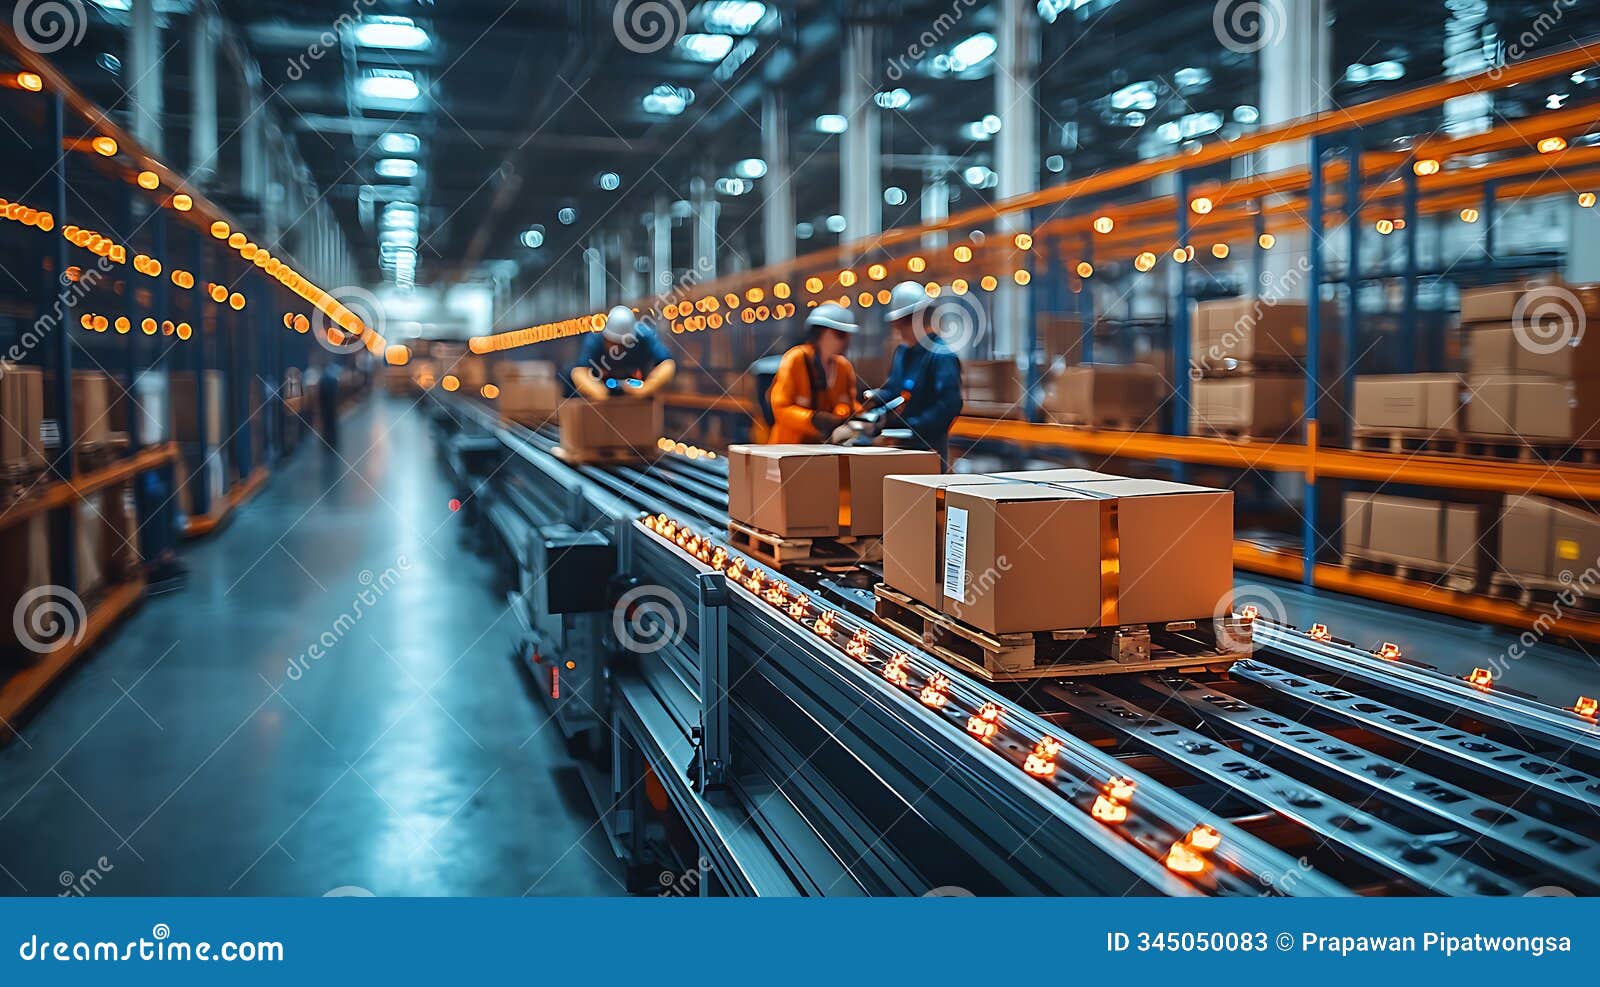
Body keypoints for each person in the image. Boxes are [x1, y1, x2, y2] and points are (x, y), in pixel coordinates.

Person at [859, 282, 964, 464]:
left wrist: (912, 426)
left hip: (929, 449)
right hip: (900, 446)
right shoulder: (903, 352)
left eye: (902, 326)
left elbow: (949, 404)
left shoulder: (940, 356)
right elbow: (894, 389)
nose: (898, 332)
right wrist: (875, 398)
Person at [766, 302, 863, 444]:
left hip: (824, 450)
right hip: (788, 450)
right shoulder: (796, 359)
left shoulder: (844, 367)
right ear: (820, 333)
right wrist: (813, 419)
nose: (846, 341)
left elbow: (850, 403)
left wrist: (865, 415)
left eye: (848, 336)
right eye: (840, 334)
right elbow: (781, 409)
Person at [571, 305, 675, 400]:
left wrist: (646, 389)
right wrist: (599, 393)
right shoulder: (595, 339)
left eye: (623, 344)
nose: (618, 350)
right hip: (602, 397)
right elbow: (579, 373)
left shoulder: (644, 336)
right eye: (613, 343)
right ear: (605, 337)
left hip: (637, 400)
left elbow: (668, 365)